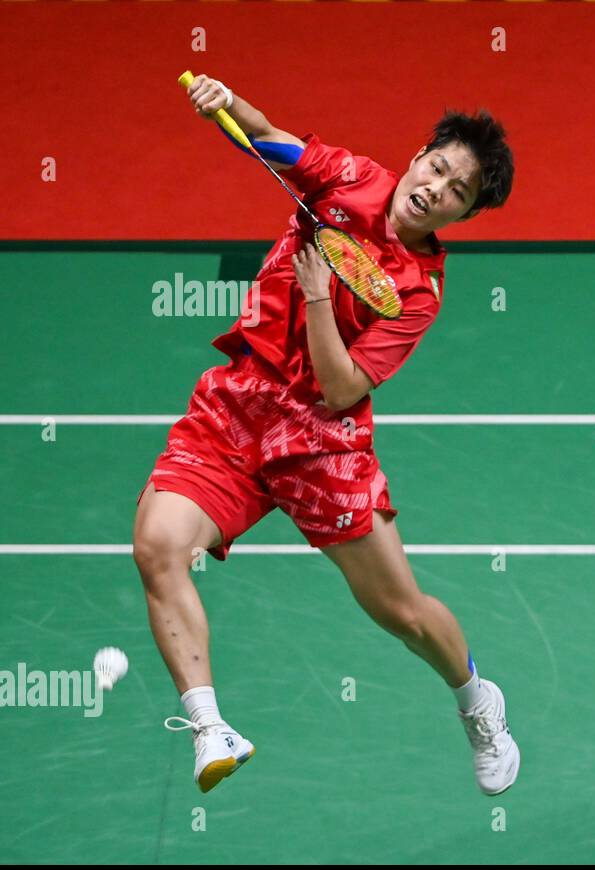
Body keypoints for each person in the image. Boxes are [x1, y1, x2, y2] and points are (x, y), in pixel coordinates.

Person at [134, 74, 519, 796]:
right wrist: (226, 102)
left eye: (458, 190)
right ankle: (212, 726)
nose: (436, 187)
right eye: (437, 167)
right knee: (157, 545)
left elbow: (343, 389)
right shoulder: (350, 176)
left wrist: (317, 297)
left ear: (465, 213)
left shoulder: (417, 292)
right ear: (418, 156)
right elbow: (266, 134)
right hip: (240, 406)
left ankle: (475, 699)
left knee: (400, 613)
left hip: (322, 439)